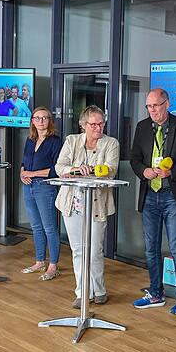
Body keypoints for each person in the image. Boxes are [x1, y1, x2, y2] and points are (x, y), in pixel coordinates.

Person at [130, 88, 176, 317]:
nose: (152, 110)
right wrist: (144, 171)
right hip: (150, 194)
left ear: (167, 104)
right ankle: (155, 293)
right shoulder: (142, 127)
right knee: (150, 249)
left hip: (174, 195)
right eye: (149, 106)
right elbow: (134, 159)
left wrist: (172, 171)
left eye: (156, 106)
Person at [55, 105, 119, 308]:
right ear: (83, 125)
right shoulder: (72, 141)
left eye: (101, 123)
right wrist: (75, 169)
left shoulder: (111, 143)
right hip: (72, 203)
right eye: (93, 124)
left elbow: (111, 170)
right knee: (78, 250)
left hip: (97, 204)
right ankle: (82, 292)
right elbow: (59, 167)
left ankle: (99, 289)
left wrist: (91, 170)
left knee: (94, 250)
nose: (98, 127)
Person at [20, 107, 62, 281]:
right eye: (37, 118)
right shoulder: (31, 139)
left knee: (49, 228)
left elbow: (57, 169)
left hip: (45, 186)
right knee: (36, 227)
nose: (41, 121)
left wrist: (33, 174)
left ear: (50, 121)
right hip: (28, 186)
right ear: (32, 121)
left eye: (45, 118)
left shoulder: (55, 141)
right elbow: (24, 162)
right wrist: (22, 173)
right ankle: (39, 261)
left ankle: (53, 265)